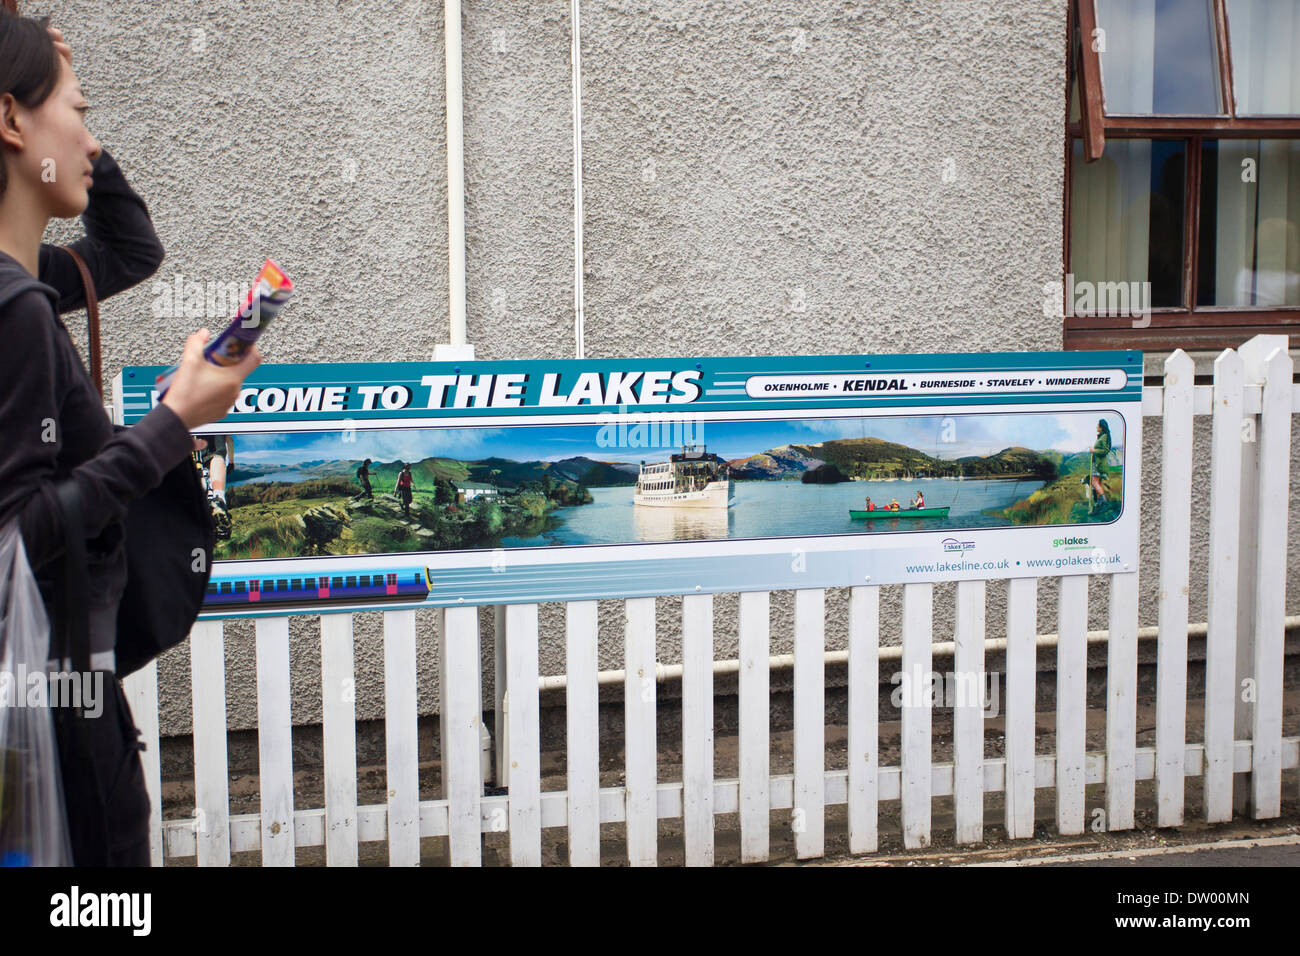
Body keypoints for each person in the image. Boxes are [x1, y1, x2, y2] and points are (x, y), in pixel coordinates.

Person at [0, 13, 261, 865]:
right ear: (11, 122)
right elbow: (17, 534)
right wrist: (172, 423)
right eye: (79, 108)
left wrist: (56, 113)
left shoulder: (32, 277)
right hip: (53, 728)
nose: (92, 135)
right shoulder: (17, 309)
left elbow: (133, 246)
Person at [194, 433, 233, 538]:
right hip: (216, 435)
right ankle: (218, 498)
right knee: (218, 455)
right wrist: (232, 462)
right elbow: (229, 439)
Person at [1090, 419, 1112, 505]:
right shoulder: (1101, 436)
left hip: (1099, 464)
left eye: (1097, 425)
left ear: (1101, 427)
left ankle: (1103, 500)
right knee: (1098, 483)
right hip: (1096, 462)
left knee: (1094, 482)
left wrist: (1094, 450)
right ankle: (1100, 503)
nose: (1096, 427)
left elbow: (1105, 450)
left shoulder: (1105, 436)